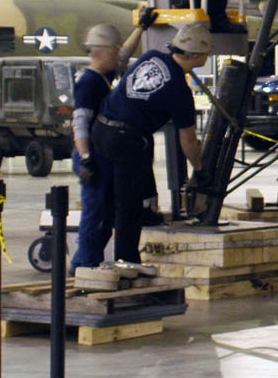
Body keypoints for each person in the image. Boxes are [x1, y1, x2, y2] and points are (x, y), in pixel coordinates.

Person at [90, 21, 213, 277]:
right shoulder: (179, 90)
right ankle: (126, 260)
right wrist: (199, 168)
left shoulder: (151, 56)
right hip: (126, 139)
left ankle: (92, 258)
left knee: (109, 199)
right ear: (199, 56)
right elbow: (187, 140)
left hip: (101, 130)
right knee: (128, 203)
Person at [68, 17, 149, 274]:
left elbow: (124, 55)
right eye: (112, 52)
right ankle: (84, 265)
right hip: (91, 155)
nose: (118, 57)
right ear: (102, 53)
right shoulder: (88, 83)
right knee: (95, 214)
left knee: (105, 214)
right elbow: (80, 122)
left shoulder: (103, 76)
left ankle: (87, 262)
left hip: (100, 154)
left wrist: (141, 28)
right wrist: (86, 157)